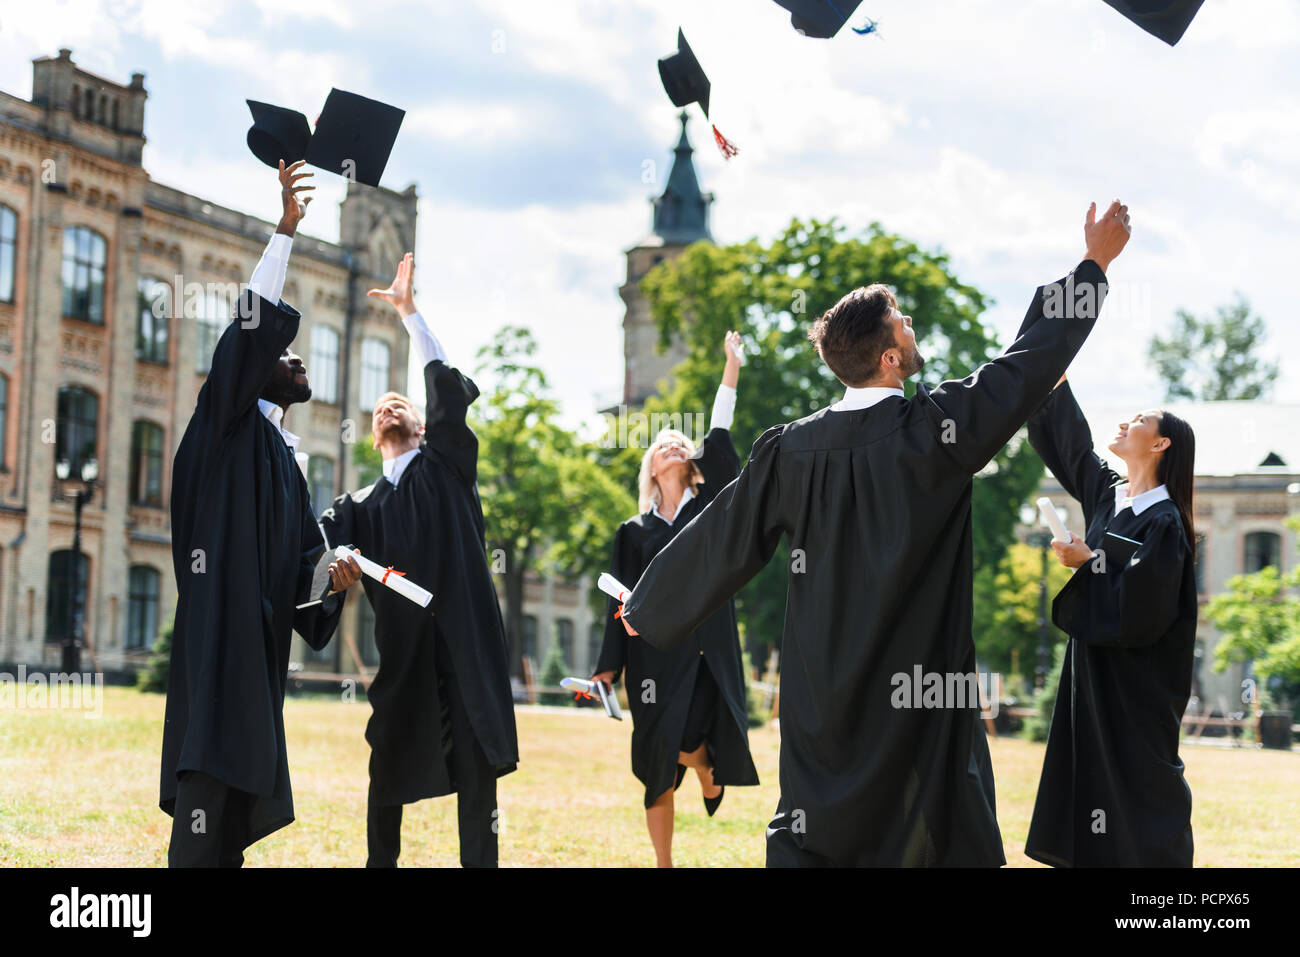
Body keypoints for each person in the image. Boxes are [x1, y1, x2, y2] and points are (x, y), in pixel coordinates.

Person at [619, 200, 1133, 866]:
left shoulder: (790, 450)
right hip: (920, 704)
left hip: (822, 702)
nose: (913, 326)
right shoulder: (941, 431)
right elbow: (1028, 364)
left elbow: (724, 533)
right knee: (933, 830)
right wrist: (1092, 264)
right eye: (904, 322)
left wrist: (650, 603)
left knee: (818, 831)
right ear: (891, 357)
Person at [161, 159, 362, 867]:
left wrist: (332, 572)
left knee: (236, 805)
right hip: (220, 643)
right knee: (206, 792)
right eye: (286, 352)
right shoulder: (225, 424)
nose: (298, 356)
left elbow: (302, 565)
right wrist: (284, 230)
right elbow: (246, 337)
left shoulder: (281, 454)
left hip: (257, 653)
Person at [320, 253, 519, 868]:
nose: (388, 407)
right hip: (404, 655)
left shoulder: (447, 468)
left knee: (477, 774)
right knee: (387, 771)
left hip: (462, 643)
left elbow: (445, 392)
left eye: (399, 402)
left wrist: (409, 313)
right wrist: (333, 575)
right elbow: (314, 552)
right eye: (378, 406)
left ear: (425, 425)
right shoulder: (358, 505)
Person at [592, 332, 759, 868]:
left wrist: (729, 369)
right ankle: (664, 862)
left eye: (678, 443)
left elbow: (719, 431)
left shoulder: (708, 508)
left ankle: (708, 768)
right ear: (651, 465)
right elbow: (618, 598)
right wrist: (608, 665)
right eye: (661, 443)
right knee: (654, 757)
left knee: (687, 735)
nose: (671, 444)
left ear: (690, 463)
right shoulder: (632, 530)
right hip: (649, 656)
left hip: (704, 649)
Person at [1022, 372, 1197, 867]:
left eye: (1139, 421)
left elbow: (1143, 610)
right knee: (1091, 781)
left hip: (1138, 687)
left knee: (1141, 787)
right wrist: (1051, 380)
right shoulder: (1109, 497)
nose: (1125, 421)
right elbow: (1073, 449)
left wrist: (1089, 562)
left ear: (1161, 443)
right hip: (1092, 676)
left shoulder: (1165, 523)